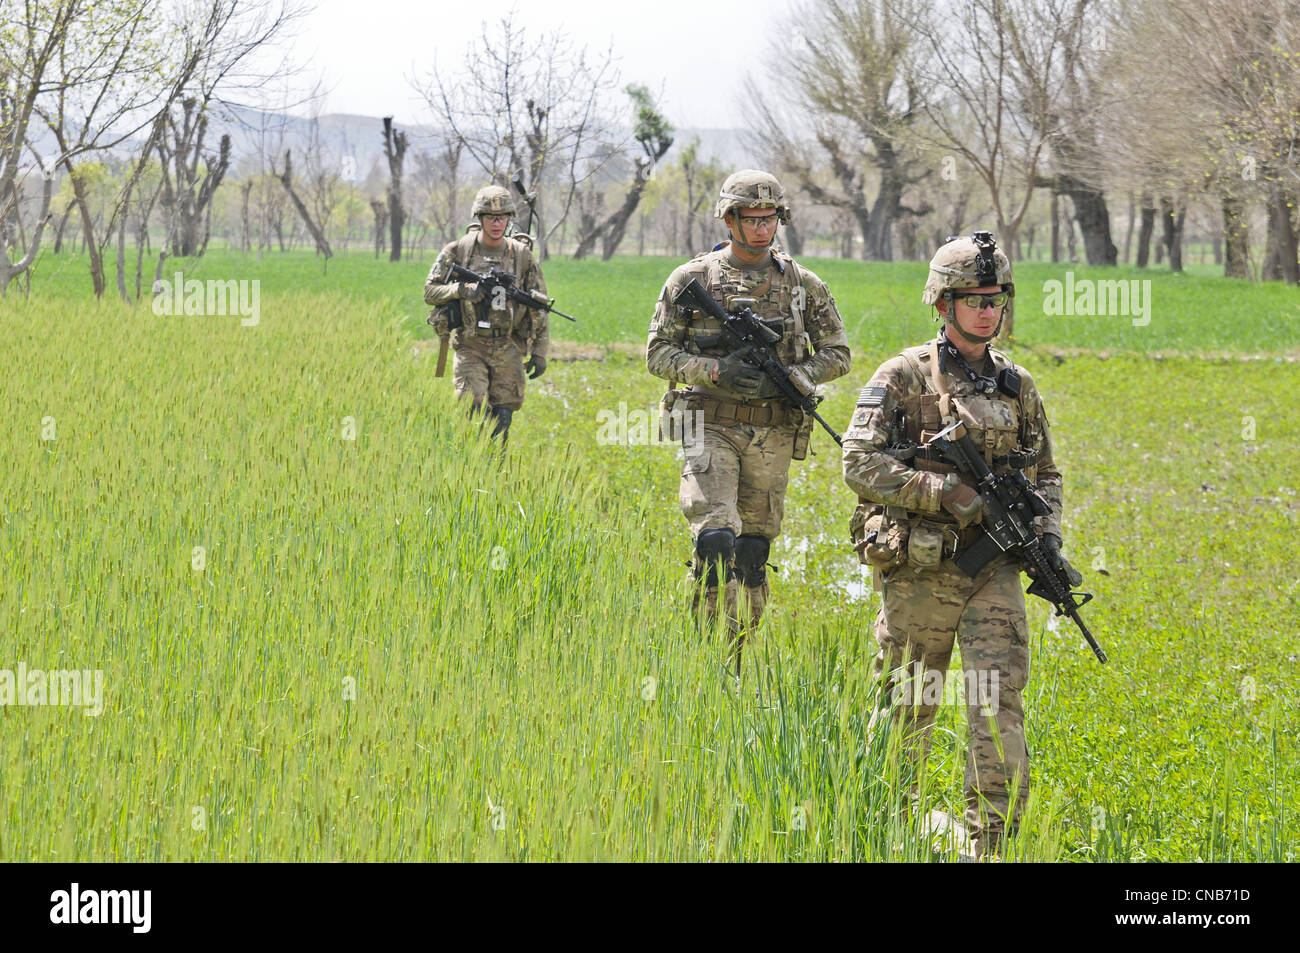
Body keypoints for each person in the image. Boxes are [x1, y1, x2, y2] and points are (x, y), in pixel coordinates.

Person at [842, 232, 1083, 859]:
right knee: (907, 703)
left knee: (997, 702)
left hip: (994, 571)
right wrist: (941, 490)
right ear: (943, 302)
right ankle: (884, 827)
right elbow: (858, 463)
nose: (987, 308)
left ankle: (989, 842)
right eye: (972, 297)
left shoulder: (1017, 385)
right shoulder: (902, 376)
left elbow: (1046, 475)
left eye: (995, 296)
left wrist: (1047, 538)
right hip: (921, 567)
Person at [647, 170, 851, 675]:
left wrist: (796, 378)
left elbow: (839, 353)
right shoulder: (691, 279)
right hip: (709, 422)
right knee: (716, 539)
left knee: (752, 553)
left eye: (769, 219)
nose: (761, 229)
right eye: (751, 219)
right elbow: (657, 353)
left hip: (773, 428)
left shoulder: (802, 284)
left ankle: (735, 659)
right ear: (729, 219)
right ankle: (701, 657)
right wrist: (715, 369)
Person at [423, 185, 549, 446]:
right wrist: (462, 290)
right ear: (479, 219)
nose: (496, 223)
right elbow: (430, 291)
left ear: (509, 219)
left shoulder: (522, 256)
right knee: (471, 405)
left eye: (502, 217)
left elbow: (540, 307)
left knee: (503, 414)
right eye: (491, 217)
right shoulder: (458, 251)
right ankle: (468, 462)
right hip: (471, 344)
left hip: (508, 344)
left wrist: (539, 352)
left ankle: (494, 468)